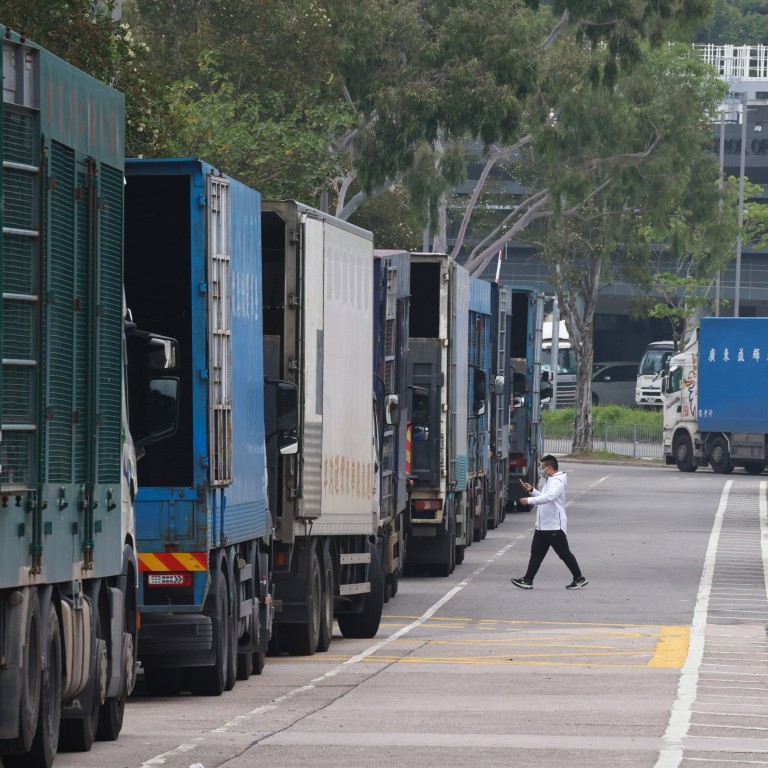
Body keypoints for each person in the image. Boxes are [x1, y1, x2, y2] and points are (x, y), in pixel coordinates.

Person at [510, 455, 588, 590]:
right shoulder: (551, 479)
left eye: (542, 467)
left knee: (564, 553)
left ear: (549, 467)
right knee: (536, 553)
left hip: (554, 526)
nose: (541, 470)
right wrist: (532, 491)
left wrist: (528, 501)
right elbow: (543, 496)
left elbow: (549, 497)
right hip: (542, 526)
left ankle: (579, 577)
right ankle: (528, 580)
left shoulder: (558, 481)